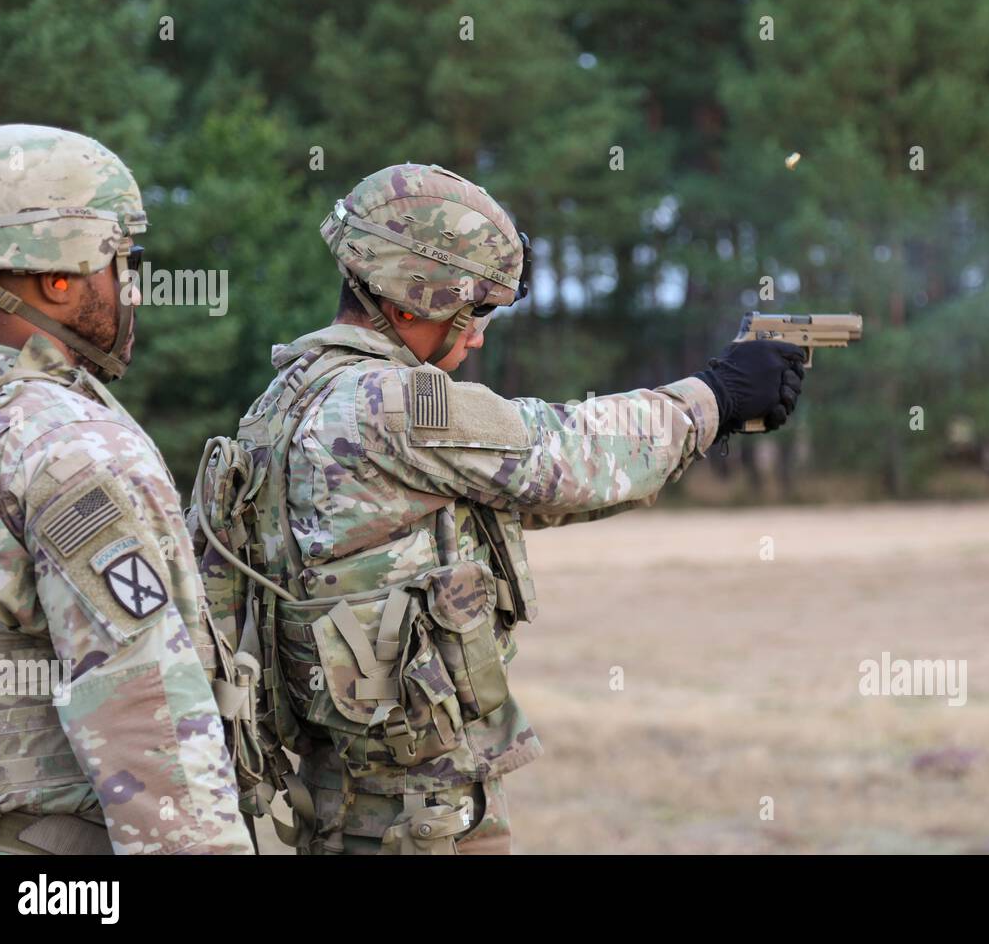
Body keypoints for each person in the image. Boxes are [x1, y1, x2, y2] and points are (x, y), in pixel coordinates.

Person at [191, 162, 803, 854]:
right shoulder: (391, 405)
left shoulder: (283, 399)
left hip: (340, 797)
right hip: (417, 816)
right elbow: (560, 456)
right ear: (407, 304)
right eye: (472, 310)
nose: (478, 334)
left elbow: (511, 492)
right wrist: (713, 398)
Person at [0, 123, 253, 854]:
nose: (133, 288)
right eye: (120, 259)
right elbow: (150, 720)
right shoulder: (64, 445)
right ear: (56, 273)